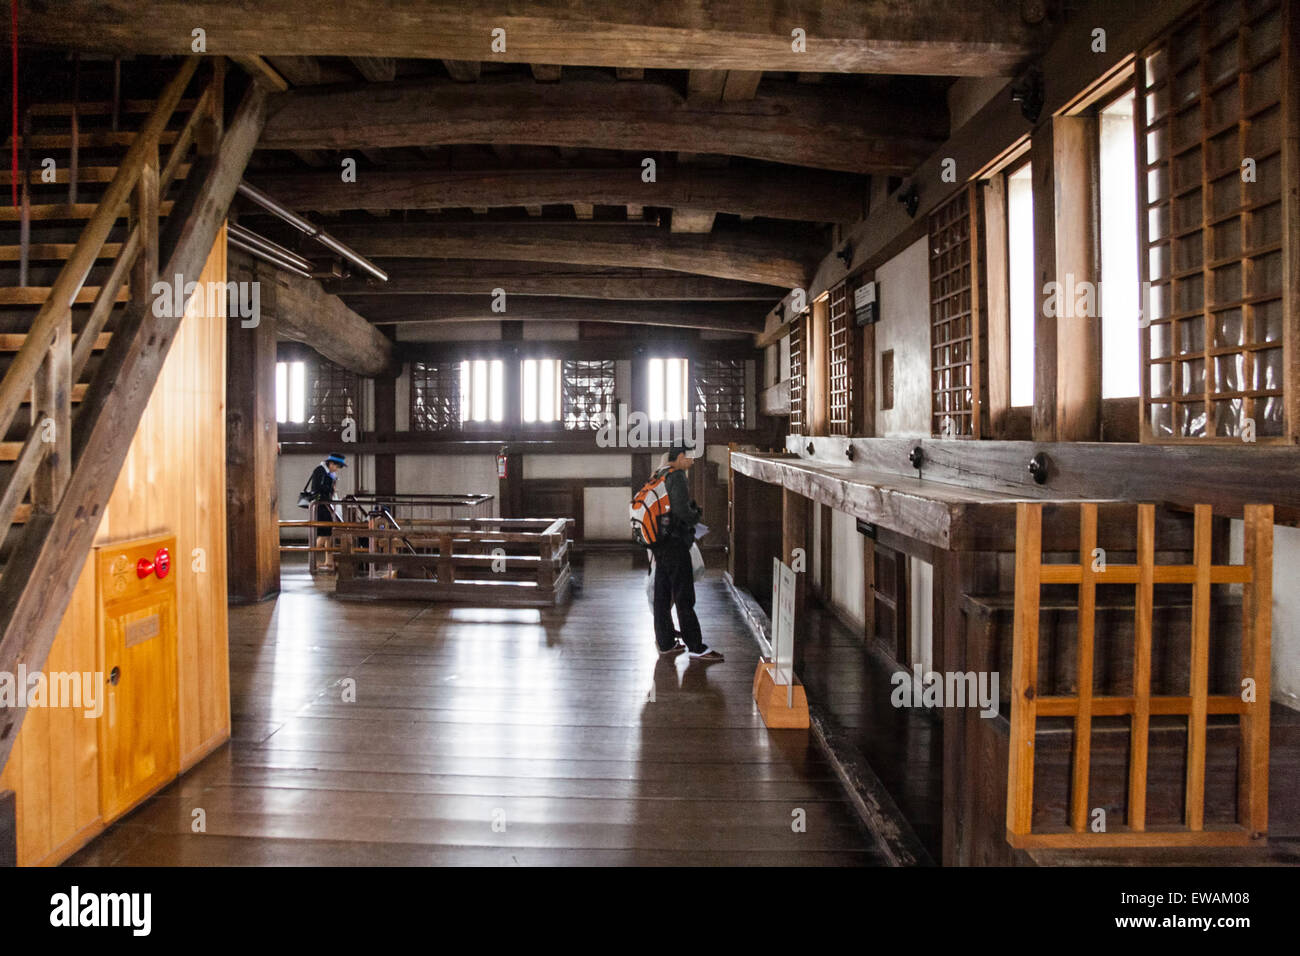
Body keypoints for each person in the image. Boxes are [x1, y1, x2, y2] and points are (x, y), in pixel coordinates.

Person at [651, 444, 724, 662]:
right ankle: (695, 646)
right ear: (680, 457)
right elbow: (682, 511)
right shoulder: (677, 476)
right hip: (675, 543)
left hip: (659, 542)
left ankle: (666, 643)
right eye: (690, 457)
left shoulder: (659, 474)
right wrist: (695, 516)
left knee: (662, 595)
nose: (692, 461)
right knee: (684, 596)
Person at [306, 453, 346, 573]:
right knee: (324, 533)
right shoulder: (320, 471)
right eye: (337, 466)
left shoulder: (328, 472)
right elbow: (317, 487)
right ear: (331, 463)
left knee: (329, 533)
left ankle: (329, 560)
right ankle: (312, 560)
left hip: (327, 505)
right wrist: (331, 489)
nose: (337, 469)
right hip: (322, 506)